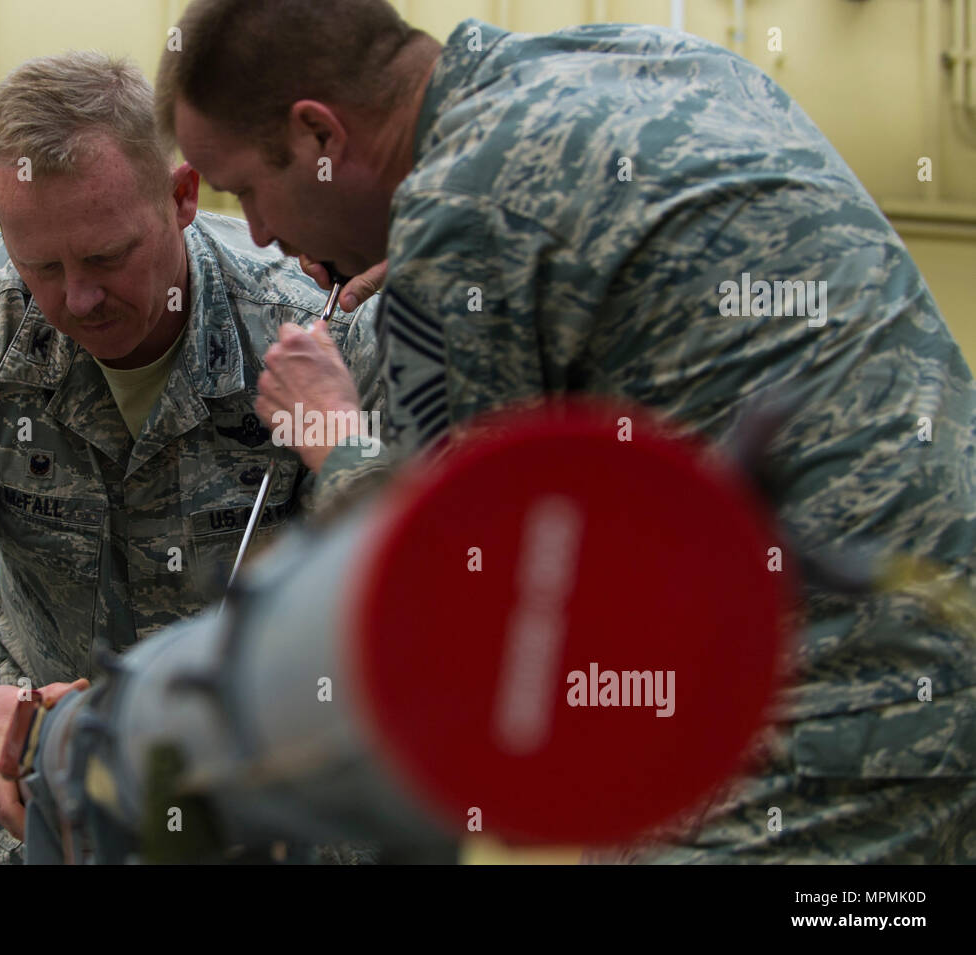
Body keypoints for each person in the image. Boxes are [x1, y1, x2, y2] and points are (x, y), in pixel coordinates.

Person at [158, 0, 976, 862]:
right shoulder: (657, 63)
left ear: (321, 137)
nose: (256, 233)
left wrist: (338, 441)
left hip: (812, 747)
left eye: (247, 188)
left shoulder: (465, 210)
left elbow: (469, 619)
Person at [0, 51, 382, 864]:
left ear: (182, 197)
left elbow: (408, 580)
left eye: (108, 255)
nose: (78, 298)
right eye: (42, 265)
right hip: (58, 813)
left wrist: (344, 449)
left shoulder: (309, 328)